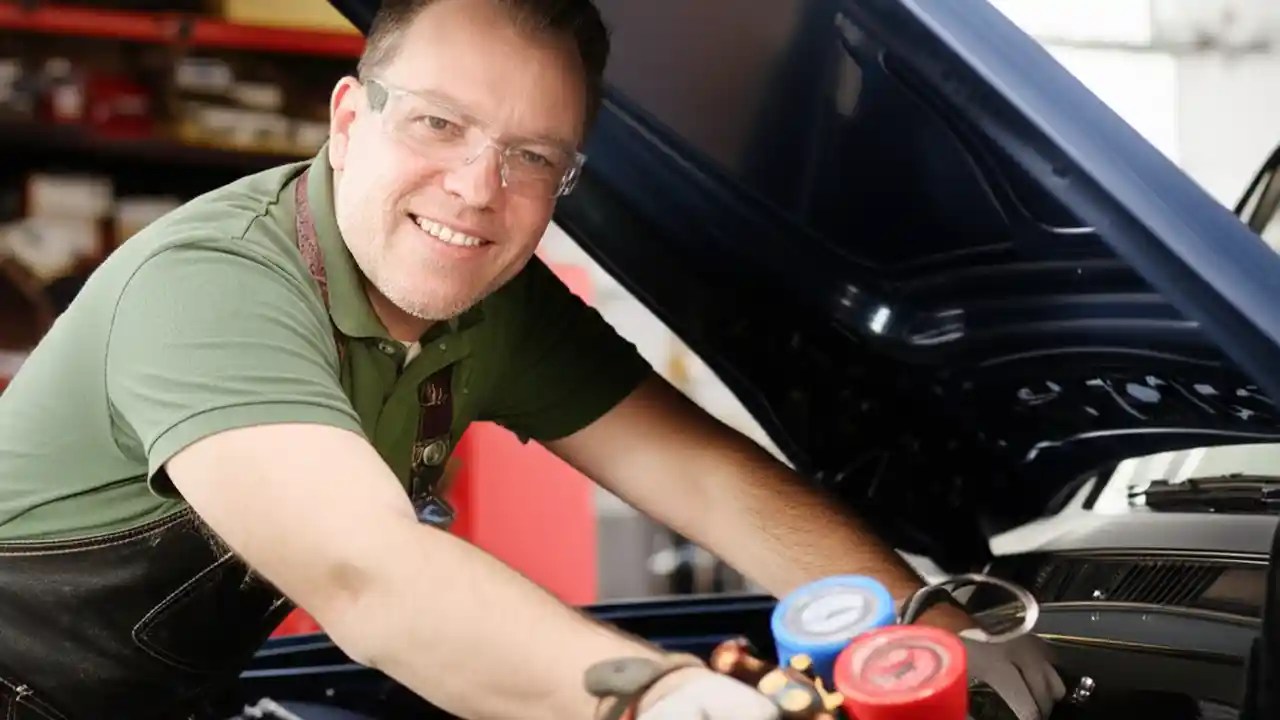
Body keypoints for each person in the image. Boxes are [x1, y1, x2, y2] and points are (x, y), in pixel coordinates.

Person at [0, 0, 1066, 718]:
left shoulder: (493, 301)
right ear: (346, 120)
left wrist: (918, 615)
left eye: (530, 156)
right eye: (438, 124)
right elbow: (372, 580)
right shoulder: (213, 286)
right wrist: (652, 696)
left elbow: (709, 480)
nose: (475, 188)